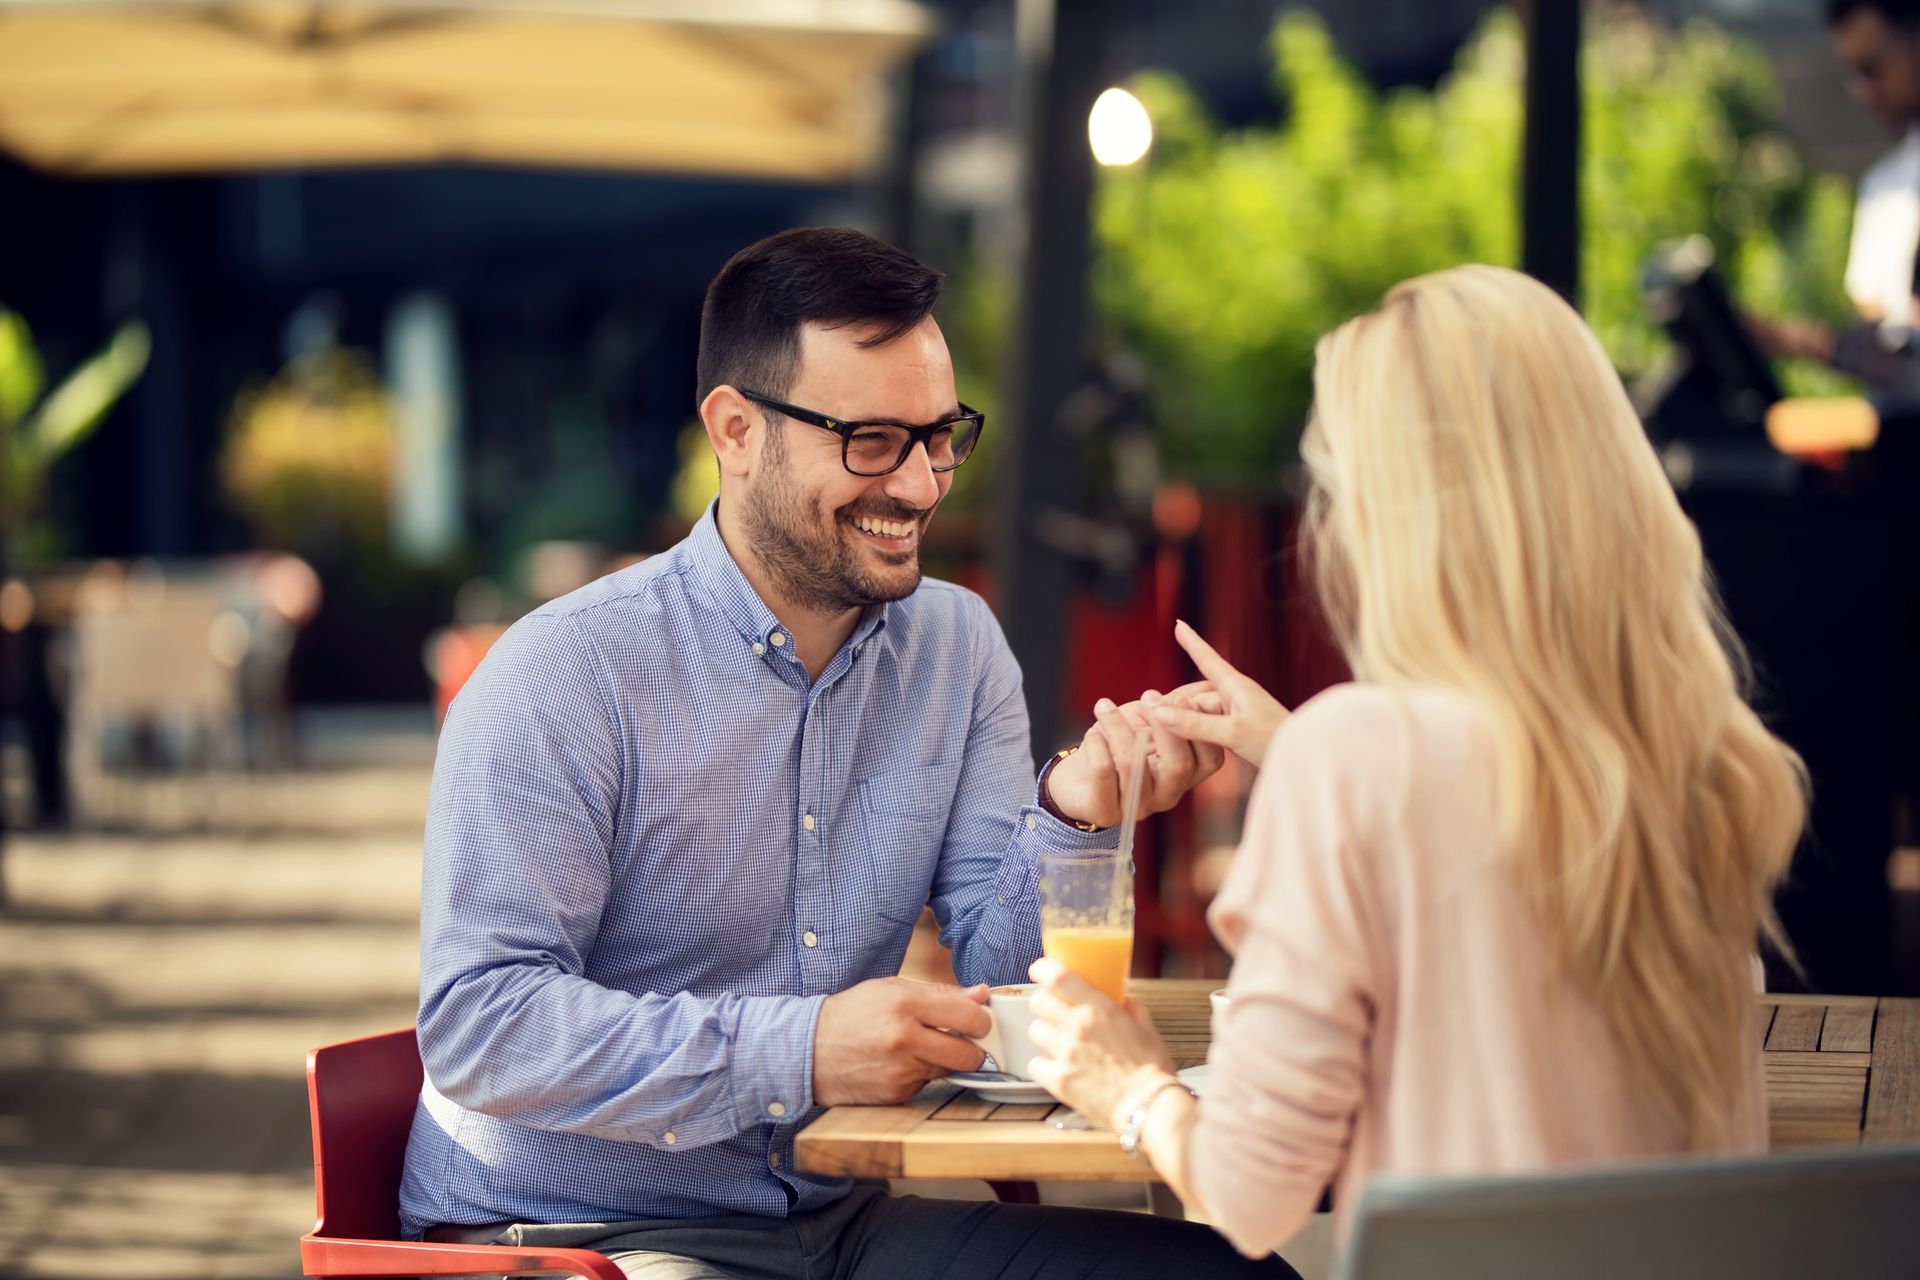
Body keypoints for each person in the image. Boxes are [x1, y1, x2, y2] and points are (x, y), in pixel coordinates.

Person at [397, 225, 1293, 1279]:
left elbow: (1006, 985)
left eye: (939, 436)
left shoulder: (957, 645)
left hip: (838, 1223)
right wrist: (805, 1049)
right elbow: (482, 1024)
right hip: (574, 1236)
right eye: (870, 440)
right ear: (736, 430)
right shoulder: (566, 670)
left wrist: (1078, 808)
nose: (919, 485)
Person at [1025, 265, 1809, 1260]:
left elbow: (1251, 1192)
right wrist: (1301, 750)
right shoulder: (1702, 752)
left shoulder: (1357, 762)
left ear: (1395, 515)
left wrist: (1129, 1082)